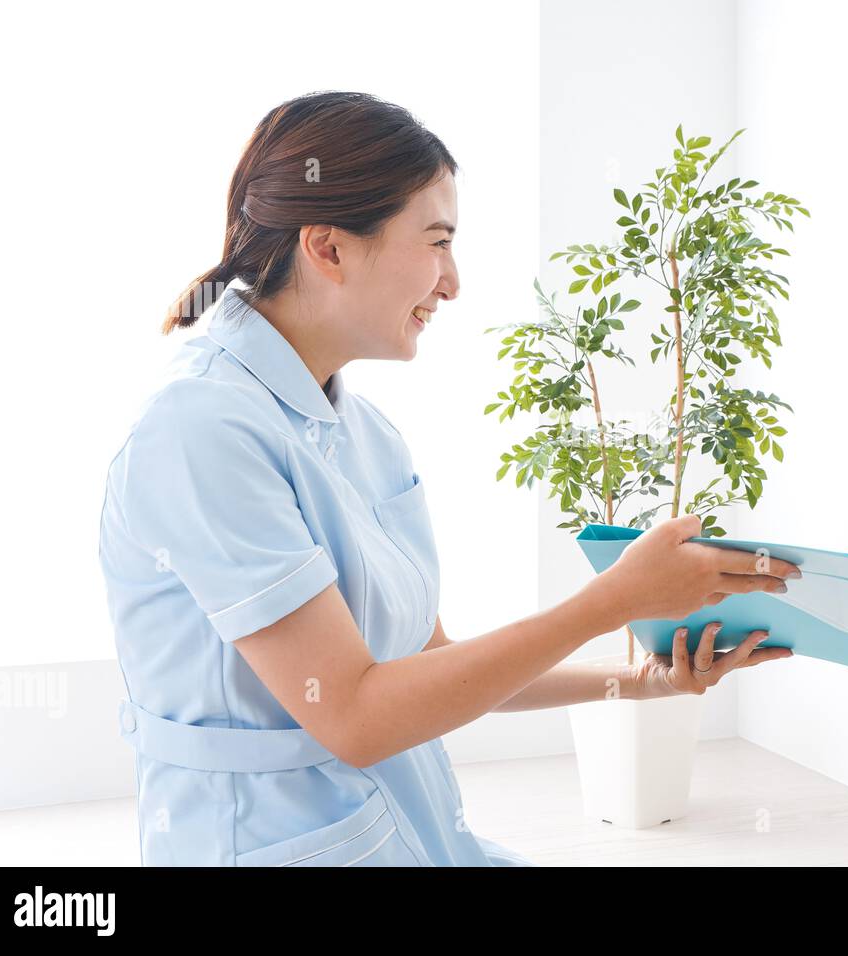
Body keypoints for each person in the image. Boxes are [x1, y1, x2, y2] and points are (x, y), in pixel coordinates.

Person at [97, 91, 799, 867]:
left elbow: (430, 664)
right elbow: (358, 715)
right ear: (327, 248)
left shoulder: (361, 432)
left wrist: (638, 685)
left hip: (409, 829)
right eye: (437, 242)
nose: (453, 281)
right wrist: (615, 600)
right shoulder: (200, 429)